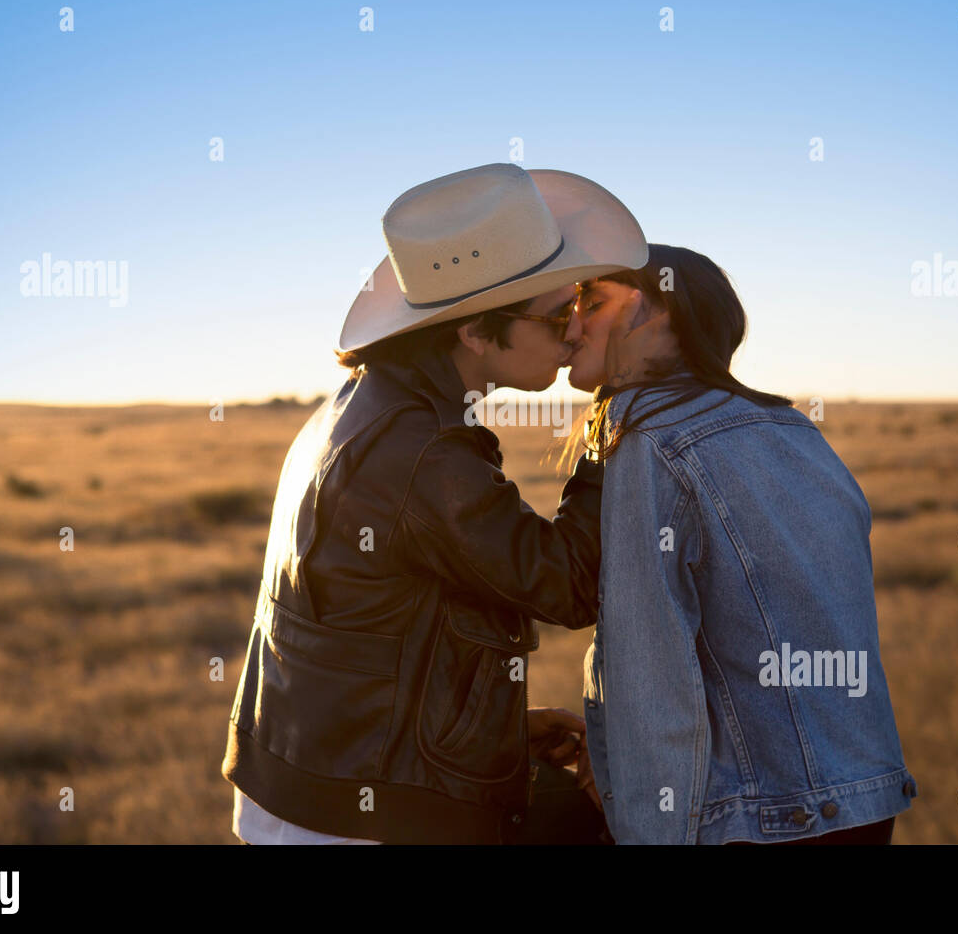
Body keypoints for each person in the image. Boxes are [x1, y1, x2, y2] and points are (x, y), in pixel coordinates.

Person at [221, 163, 673, 844]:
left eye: (581, 301)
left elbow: (370, 631)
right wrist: (614, 411)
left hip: (313, 790)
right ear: (473, 330)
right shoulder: (421, 449)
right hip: (353, 820)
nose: (577, 331)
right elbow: (570, 583)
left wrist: (495, 731)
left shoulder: (363, 406)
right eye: (557, 314)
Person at [563, 244, 918, 844]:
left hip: (758, 821)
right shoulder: (793, 428)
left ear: (659, 316)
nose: (570, 329)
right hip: (864, 800)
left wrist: (644, 826)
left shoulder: (649, 439)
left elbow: (649, 678)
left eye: (592, 304)